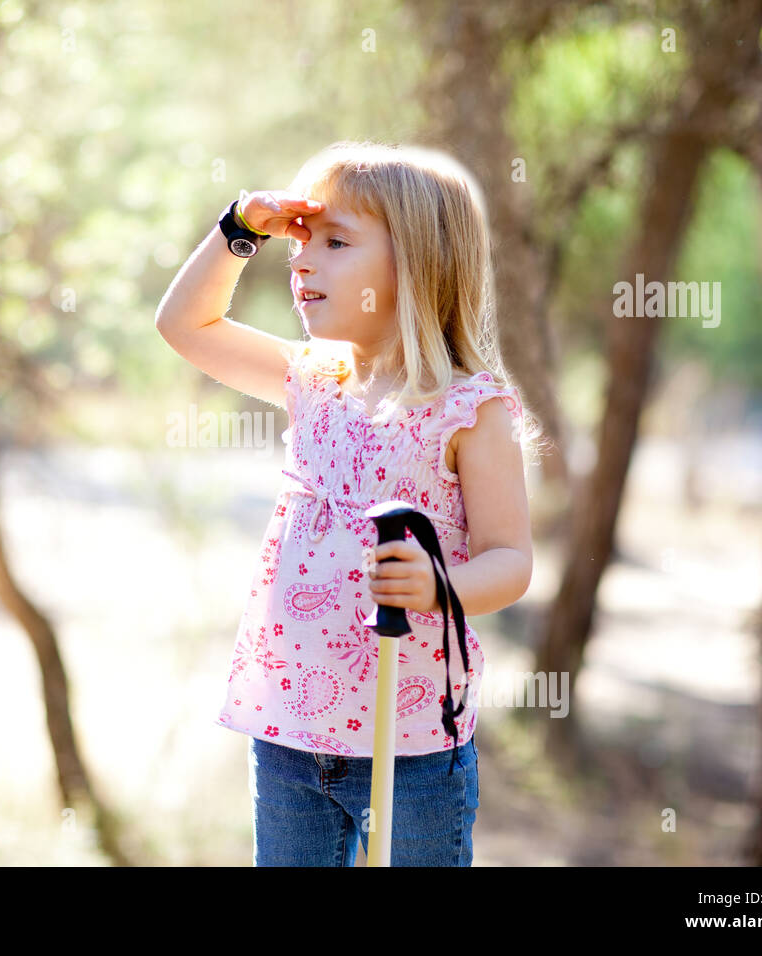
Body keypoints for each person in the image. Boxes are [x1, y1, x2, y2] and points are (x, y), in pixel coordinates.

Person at [155, 140, 539, 866]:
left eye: (335, 242)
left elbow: (511, 559)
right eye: (300, 243)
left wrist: (436, 587)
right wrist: (239, 228)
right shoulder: (312, 379)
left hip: (414, 741)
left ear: (417, 262)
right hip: (290, 734)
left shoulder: (467, 409)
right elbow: (185, 325)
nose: (301, 262)